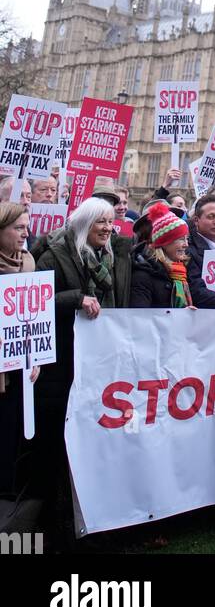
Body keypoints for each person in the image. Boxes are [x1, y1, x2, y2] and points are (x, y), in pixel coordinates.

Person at [30, 198, 133, 519]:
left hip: (98, 362)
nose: (106, 228)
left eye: (109, 222)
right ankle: (52, 513)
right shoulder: (53, 257)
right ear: (84, 224)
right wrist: (76, 299)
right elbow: (37, 301)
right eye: (99, 222)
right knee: (57, 441)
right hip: (60, 363)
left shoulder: (114, 257)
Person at [0, 203, 38, 499]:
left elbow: (35, 319)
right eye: (18, 228)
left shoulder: (29, 263)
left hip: (17, 366)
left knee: (10, 431)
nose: (26, 234)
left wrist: (34, 356)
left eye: (27, 227)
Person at [130, 204, 193, 308]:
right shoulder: (143, 275)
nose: (186, 244)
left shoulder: (181, 272)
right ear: (165, 243)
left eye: (187, 239)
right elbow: (139, 319)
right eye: (181, 239)